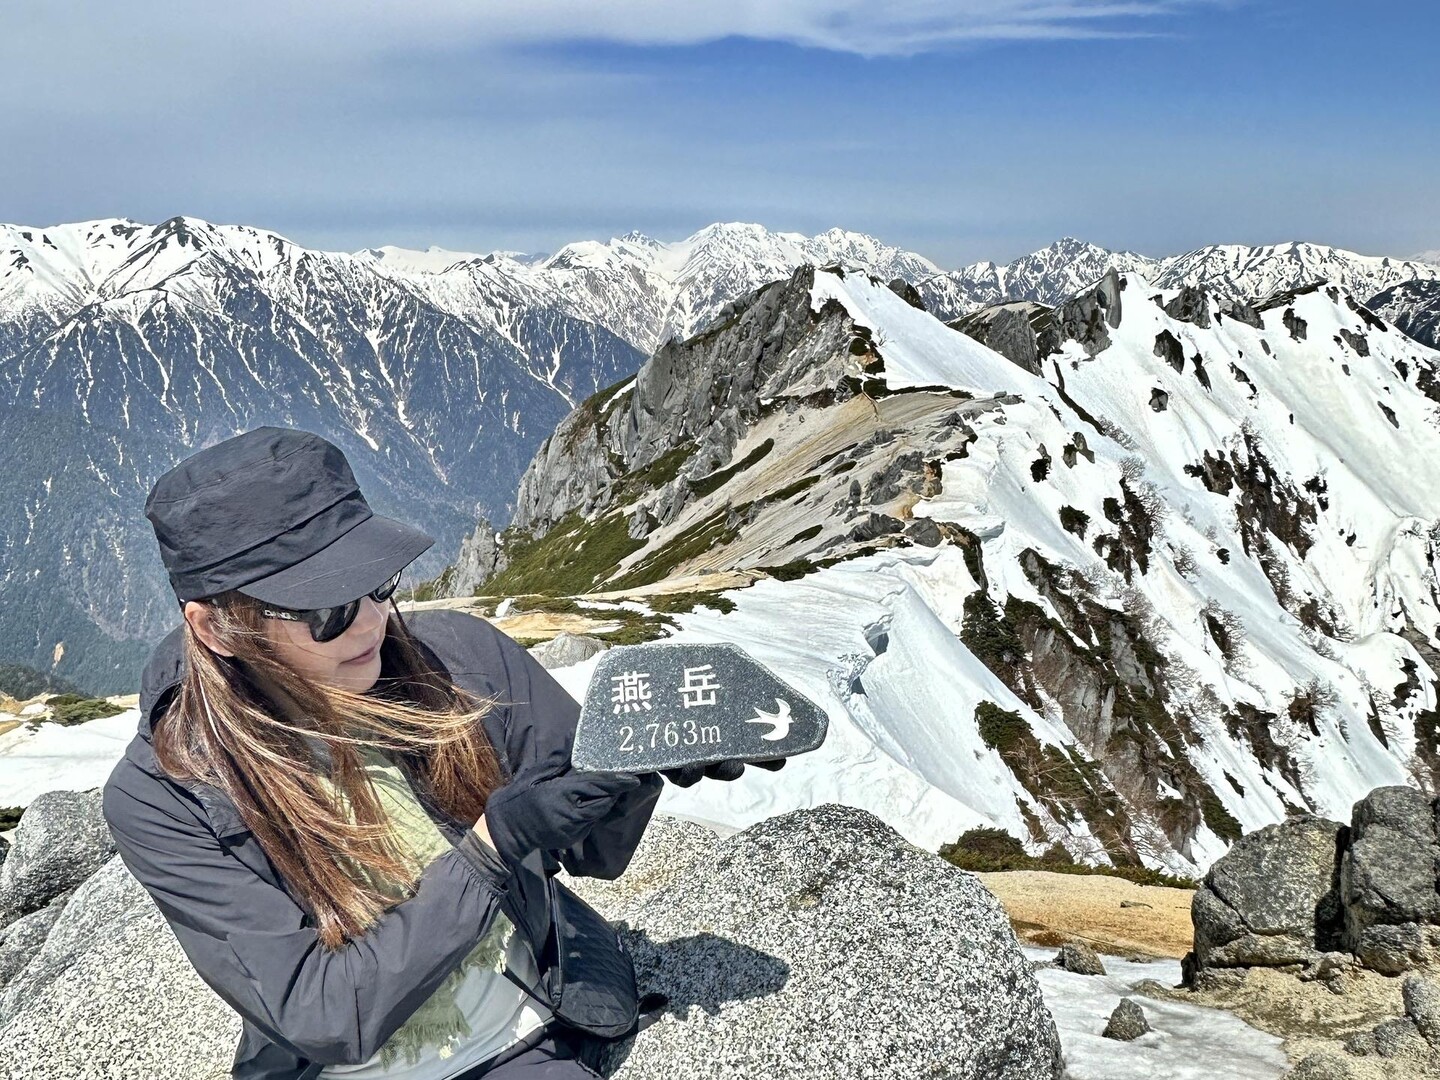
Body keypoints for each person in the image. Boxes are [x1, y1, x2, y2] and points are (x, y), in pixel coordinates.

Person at [101, 426, 781, 1080]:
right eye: (325, 611)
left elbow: (595, 854)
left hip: (527, 1026)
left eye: (377, 583)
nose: (371, 622)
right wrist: (493, 847)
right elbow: (322, 1013)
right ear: (217, 627)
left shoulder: (459, 656)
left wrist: (635, 761)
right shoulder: (161, 796)